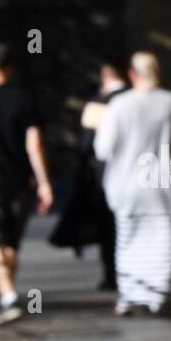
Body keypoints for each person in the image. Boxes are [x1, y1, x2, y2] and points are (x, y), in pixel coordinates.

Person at [93, 50, 171, 318]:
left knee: (128, 241)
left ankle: (130, 296)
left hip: (126, 186)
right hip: (163, 186)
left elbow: (103, 148)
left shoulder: (119, 104)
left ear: (132, 74)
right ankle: (160, 296)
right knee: (164, 242)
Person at [0, 41, 52, 326]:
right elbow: (34, 144)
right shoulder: (23, 98)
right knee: (10, 239)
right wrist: (44, 182)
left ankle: (8, 295)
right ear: (9, 68)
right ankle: (6, 295)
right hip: (18, 181)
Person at [51, 60, 129, 289]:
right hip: (142, 175)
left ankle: (113, 276)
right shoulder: (138, 100)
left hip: (104, 178)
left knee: (109, 230)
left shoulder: (98, 104)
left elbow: (88, 147)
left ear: (105, 76)